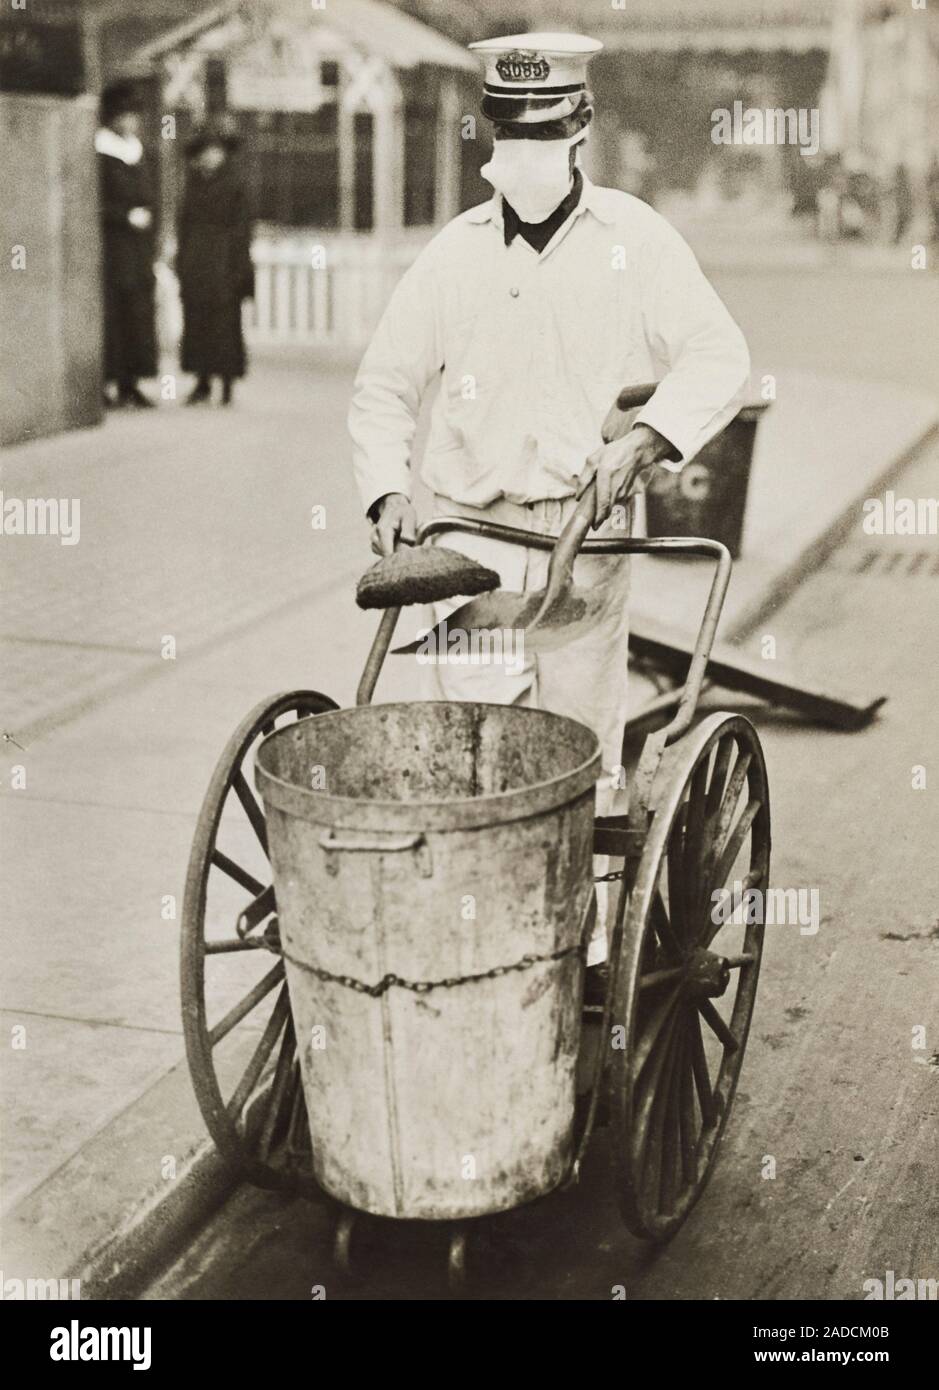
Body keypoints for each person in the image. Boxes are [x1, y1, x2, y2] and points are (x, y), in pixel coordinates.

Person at [348, 32, 750, 967]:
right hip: (467, 544)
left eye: (545, 134)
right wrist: (380, 493)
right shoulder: (454, 253)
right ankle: (474, 948)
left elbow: (718, 355)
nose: (525, 157)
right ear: (489, 139)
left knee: (580, 755)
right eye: (509, 137)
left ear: (580, 130)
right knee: (475, 758)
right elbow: (382, 385)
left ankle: (586, 955)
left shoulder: (633, 240)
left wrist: (648, 440)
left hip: (584, 538)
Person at [176, 122, 254, 406]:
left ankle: (227, 384)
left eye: (216, 152)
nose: (211, 157)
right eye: (206, 152)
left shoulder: (235, 185)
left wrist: (238, 267)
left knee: (225, 323)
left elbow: (243, 229)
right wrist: (182, 260)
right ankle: (202, 381)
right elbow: (183, 224)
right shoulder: (193, 184)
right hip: (197, 260)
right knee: (197, 321)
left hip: (224, 261)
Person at [96, 83, 158, 407]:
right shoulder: (101, 154)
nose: (132, 123)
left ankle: (130, 381)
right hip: (111, 245)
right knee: (113, 313)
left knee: (136, 312)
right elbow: (94, 201)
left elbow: (151, 198)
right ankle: (107, 381)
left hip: (137, 249)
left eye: (134, 116)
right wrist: (124, 217)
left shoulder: (138, 152)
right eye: (126, 116)